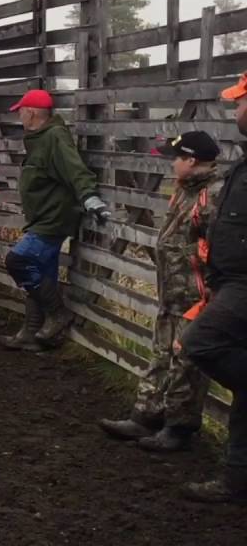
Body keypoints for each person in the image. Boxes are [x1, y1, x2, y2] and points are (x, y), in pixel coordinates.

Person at [99, 131, 218, 454]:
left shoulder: (213, 196)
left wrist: (207, 287)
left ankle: (179, 426)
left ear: (191, 160)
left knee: (186, 359)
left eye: (176, 158)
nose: (172, 163)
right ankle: (146, 414)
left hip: (196, 295)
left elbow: (217, 247)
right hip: (173, 290)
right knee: (162, 351)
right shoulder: (184, 191)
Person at [0, 88, 111, 351]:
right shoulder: (39, 138)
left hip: (52, 219)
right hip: (42, 217)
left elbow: (75, 169)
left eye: (21, 112)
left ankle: (58, 314)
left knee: (18, 261)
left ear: (32, 112)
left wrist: (89, 197)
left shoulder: (55, 138)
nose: (20, 118)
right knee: (40, 275)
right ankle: (31, 334)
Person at [179, 73, 247, 504]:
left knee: (199, 343)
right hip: (232, 283)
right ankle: (237, 481)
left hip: (244, 285)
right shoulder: (244, 161)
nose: (236, 110)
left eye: (241, 102)